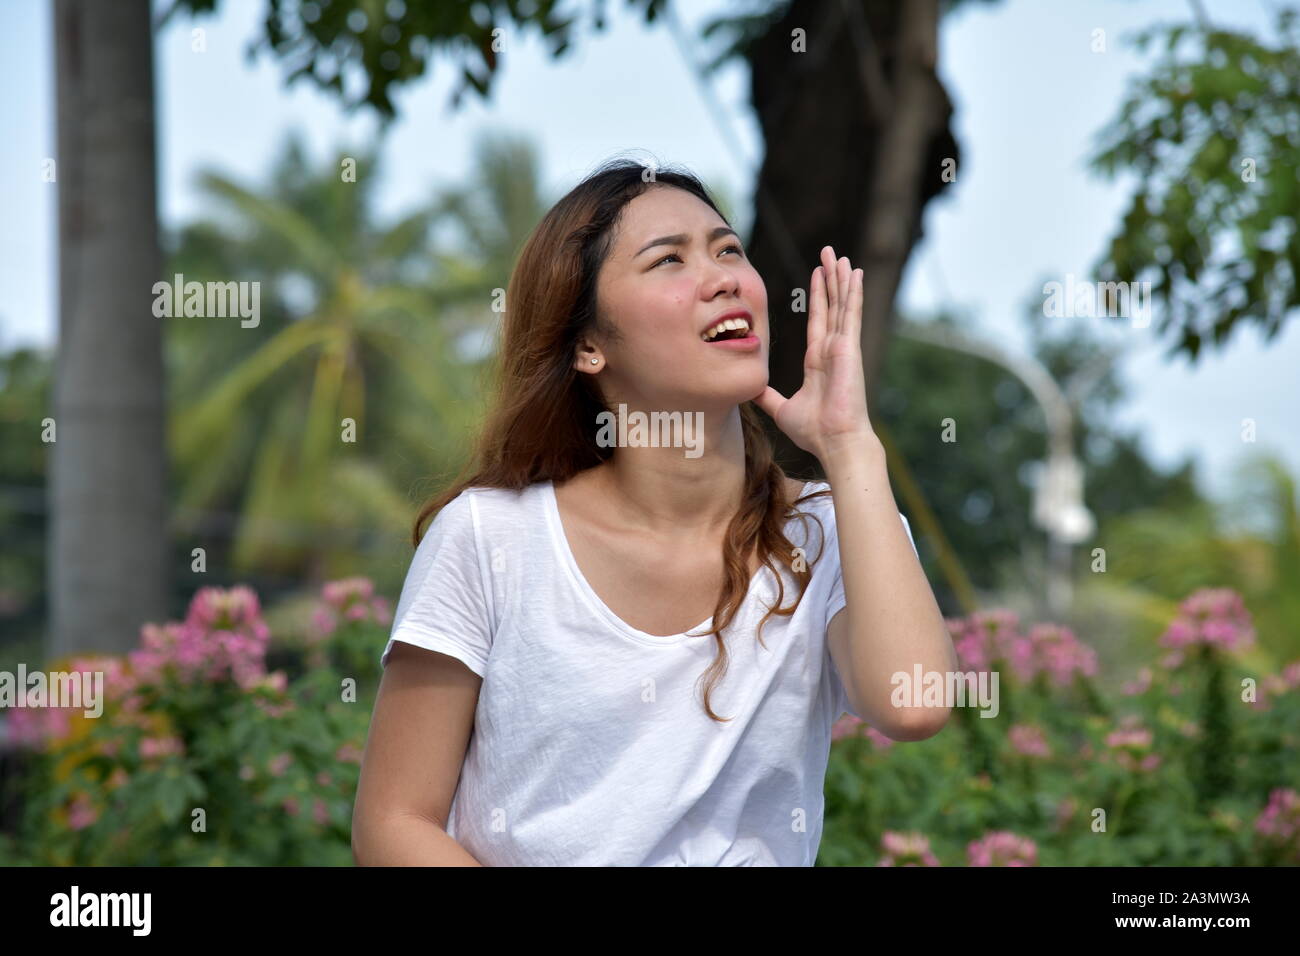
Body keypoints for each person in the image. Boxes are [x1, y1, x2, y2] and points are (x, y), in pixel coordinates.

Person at [350, 157, 956, 866]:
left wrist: (849, 446)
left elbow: (914, 705)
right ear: (587, 345)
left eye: (728, 249)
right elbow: (393, 822)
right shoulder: (490, 536)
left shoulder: (829, 530)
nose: (724, 276)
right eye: (668, 260)